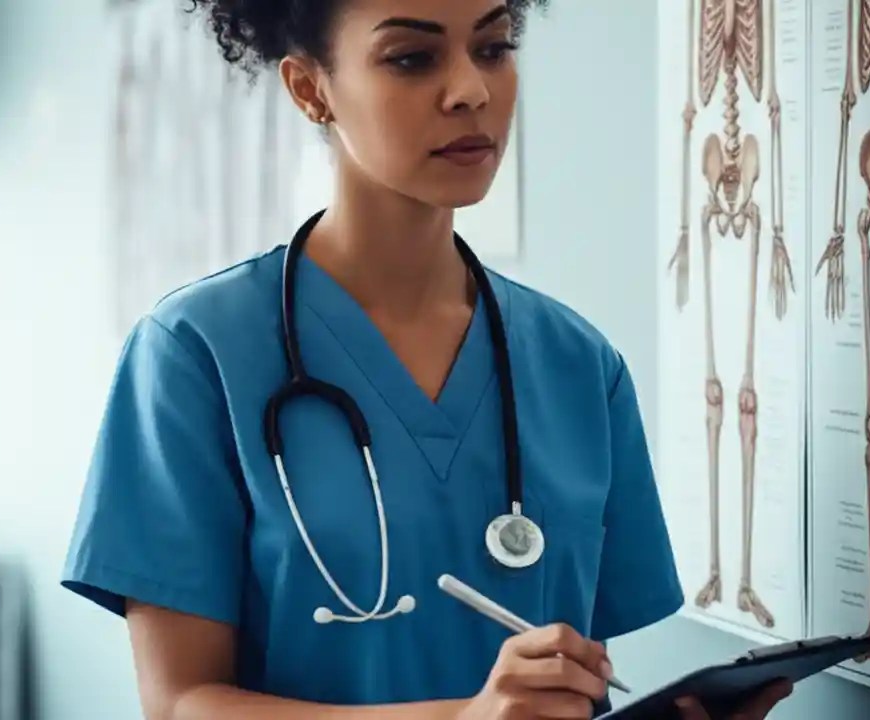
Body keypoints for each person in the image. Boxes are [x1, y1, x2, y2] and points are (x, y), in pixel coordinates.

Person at [61, 0, 794, 718]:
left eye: (493, 47)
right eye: (412, 58)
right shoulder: (194, 355)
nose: (471, 89)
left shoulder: (577, 366)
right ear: (311, 88)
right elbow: (181, 701)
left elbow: (568, 688)